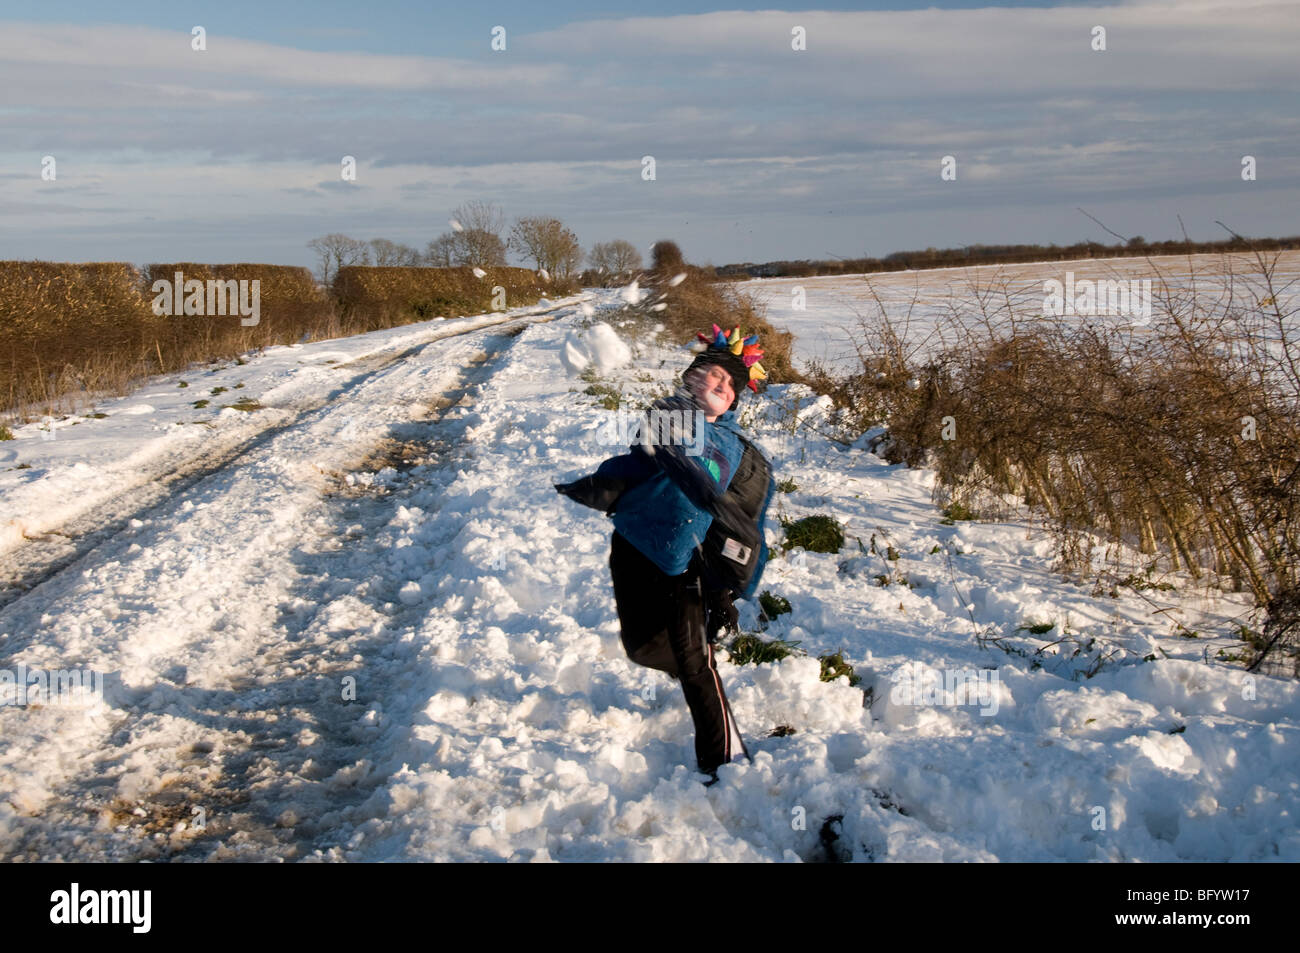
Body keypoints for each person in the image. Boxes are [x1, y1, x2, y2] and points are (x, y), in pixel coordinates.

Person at [555, 325, 776, 784]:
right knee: (641, 648)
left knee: (697, 665)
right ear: (689, 379)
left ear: (733, 401)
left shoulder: (728, 445)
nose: (717, 385)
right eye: (709, 375)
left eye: (727, 384)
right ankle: (691, 665)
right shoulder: (664, 418)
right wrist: (600, 485)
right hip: (633, 546)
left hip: (686, 563)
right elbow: (637, 462)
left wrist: (724, 586)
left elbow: (722, 493)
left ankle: (721, 764)